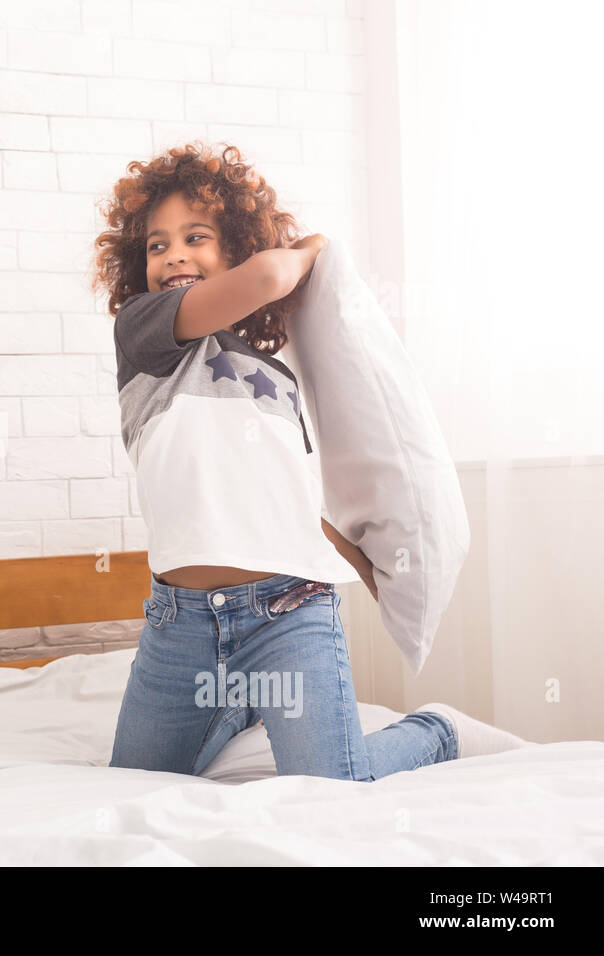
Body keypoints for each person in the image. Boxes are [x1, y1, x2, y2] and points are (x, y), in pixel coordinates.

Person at [94, 142, 528, 780]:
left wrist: (370, 569)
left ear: (236, 248)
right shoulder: (145, 332)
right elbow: (271, 279)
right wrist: (312, 249)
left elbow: (293, 503)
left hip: (288, 611)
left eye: (196, 237)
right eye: (156, 246)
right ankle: (236, 708)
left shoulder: (275, 378)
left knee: (336, 783)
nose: (175, 255)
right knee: (132, 782)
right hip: (179, 624)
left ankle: (436, 731)